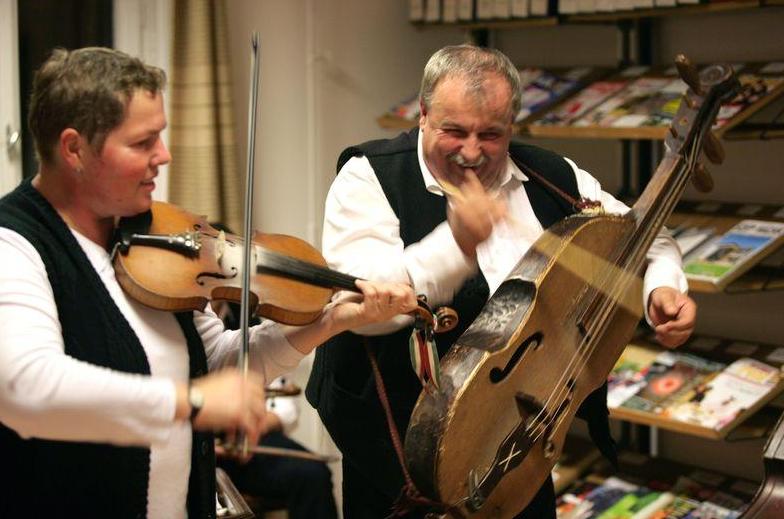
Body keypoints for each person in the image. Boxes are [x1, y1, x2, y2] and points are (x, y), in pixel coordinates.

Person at [0, 47, 416, 519]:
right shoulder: (14, 246)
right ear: (74, 148)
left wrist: (332, 321)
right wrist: (192, 401)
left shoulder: (152, 239)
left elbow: (219, 362)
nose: (165, 155)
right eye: (143, 142)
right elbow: (25, 389)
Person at [306, 44, 697, 518]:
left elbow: (646, 234)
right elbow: (365, 313)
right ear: (424, 114)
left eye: (490, 134)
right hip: (396, 463)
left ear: (512, 123)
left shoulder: (554, 176)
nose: (472, 151)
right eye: (454, 131)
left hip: (521, 450)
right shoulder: (368, 179)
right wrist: (458, 243)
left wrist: (663, 286)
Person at [218, 375, 339, 519]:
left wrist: (254, 424)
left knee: (315, 475)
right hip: (207, 438)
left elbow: (285, 405)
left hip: (259, 435)